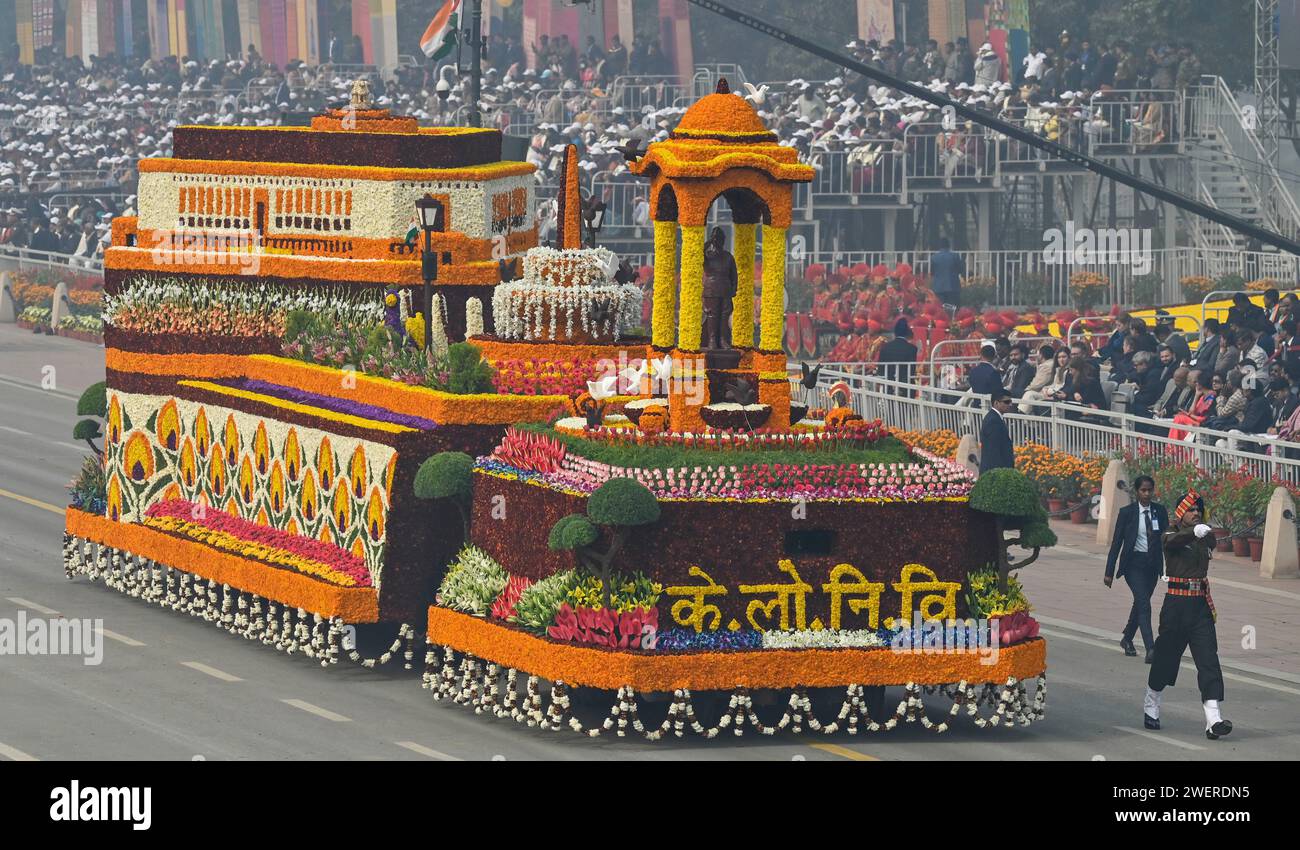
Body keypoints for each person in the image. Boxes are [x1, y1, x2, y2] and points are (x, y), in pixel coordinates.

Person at [1144, 491, 1231, 740]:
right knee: (1166, 658)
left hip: (1200, 607)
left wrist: (1206, 532)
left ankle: (1213, 718)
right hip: (1176, 606)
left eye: (1198, 510)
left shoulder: (1203, 536)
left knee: (1208, 660)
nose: (1195, 513)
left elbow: (1212, 543)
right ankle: (1152, 700)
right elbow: (1171, 543)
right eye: (1191, 509)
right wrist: (1194, 533)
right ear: (1180, 513)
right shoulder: (1171, 534)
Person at [1104, 475, 1167, 663]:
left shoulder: (1159, 511)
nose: (1147, 494)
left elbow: (1167, 538)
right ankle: (1151, 648)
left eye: (1149, 490)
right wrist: (1109, 572)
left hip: (1152, 565)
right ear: (1137, 491)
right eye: (1143, 490)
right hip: (1133, 565)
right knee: (1144, 604)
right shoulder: (1127, 513)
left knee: (1141, 603)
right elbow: (1116, 544)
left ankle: (1127, 639)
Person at [701, 226, 737, 350]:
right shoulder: (708, 255)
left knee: (724, 316)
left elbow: (734, 275)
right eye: (717, 239)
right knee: (712, 315)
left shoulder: (728, 257)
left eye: (720, 239)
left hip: (725, 290)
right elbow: (697, 252)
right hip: (711, 290)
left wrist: (734, 289)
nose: (719, 241)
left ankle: (722, 339)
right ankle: (712, 340)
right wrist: (709, 242)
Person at [1169, 370, 1219, 441]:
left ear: (1200, 383)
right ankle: (1174, 446)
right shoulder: (1202, 396)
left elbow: (1204, 418)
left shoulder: (1211, 396)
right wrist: (1196, 395)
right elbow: (1192, 412)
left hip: (1203, 424)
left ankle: (1173, 446)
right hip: (1196, 421)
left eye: (1197, 382)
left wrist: (1188, 415)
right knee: (1179, 417)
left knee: (1179, 418)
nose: (1196, 384)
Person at [1019, 346, 1069, 413]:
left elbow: (1061, 386)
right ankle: (1022, 416)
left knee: (1029, 394)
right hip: (1049, 393)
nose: (1061, 360)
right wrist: (1046, 389)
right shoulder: (1058, 369)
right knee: (1029, 394)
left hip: (1056, 396)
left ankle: (1022, 416)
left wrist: (1048, 391)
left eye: (1064, 357)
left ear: (1069, 357)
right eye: (1059, 357)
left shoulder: (1069, 370)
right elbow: (1054, 385)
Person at [978, 390, 1016, 473]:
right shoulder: (993, 421)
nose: (1010, 405)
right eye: (1007, 402)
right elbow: (993, 451)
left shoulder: (995, 418)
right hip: (995, 473)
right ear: (996, 403)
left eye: (1010, 402)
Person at [878, 317, 919, 385]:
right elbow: (912, 371)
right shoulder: (912, 349)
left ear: (895, 332)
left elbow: (880, 370)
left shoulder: (885, 347)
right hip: (906, 388)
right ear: (907, 333)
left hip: (888, 387)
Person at [930, 238, 964, 306]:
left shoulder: (934, 257)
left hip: (938, 288)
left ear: (939, 246)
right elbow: (960, 270)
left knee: (940, 310)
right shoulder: (955, 256)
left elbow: (932, 272)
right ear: (949, 245)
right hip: (953, 287)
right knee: (952, 310)